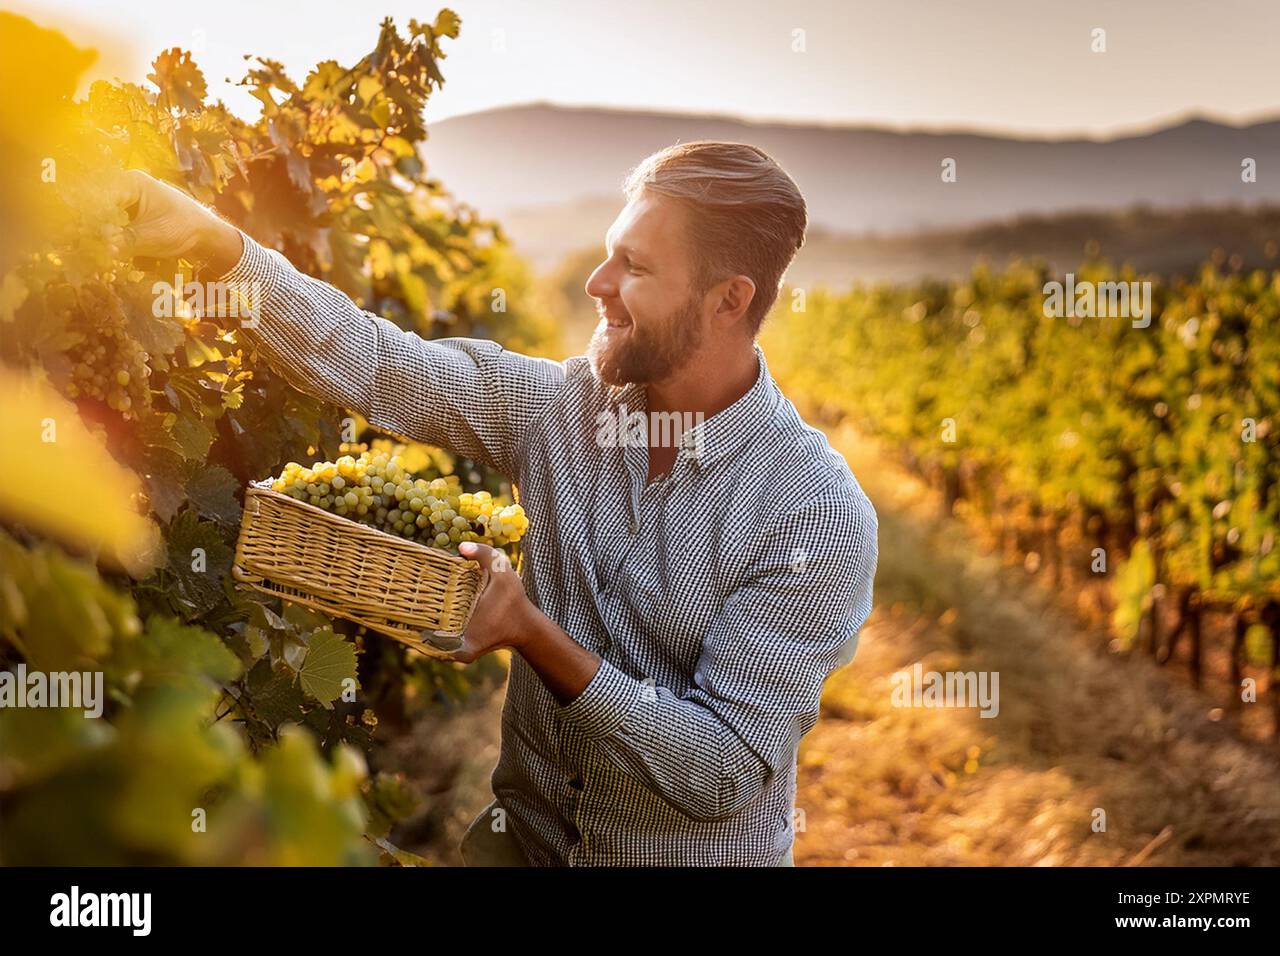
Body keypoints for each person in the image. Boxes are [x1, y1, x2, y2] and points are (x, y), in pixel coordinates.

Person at [114, 141, 878, 866]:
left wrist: (532, 635)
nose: (597, 282)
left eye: (635, 266)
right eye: (610, 250)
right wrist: (216, 244)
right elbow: (381, 366)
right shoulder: (564, 409)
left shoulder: (811, 511)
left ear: (728, 300)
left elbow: (719, 769)